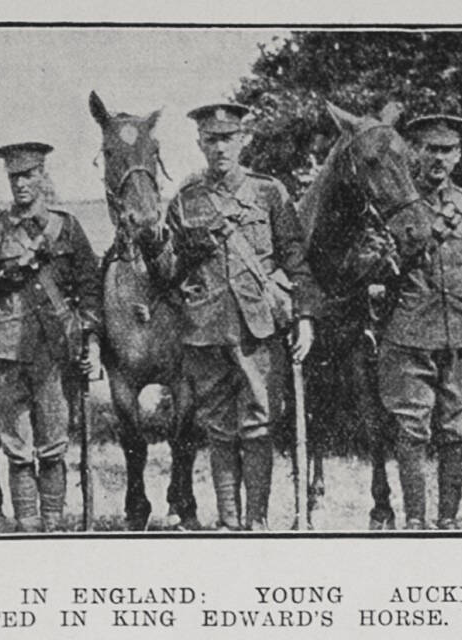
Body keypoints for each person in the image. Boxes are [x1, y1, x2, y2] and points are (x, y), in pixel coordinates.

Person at [138, 104, 320, 530]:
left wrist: (306, 318)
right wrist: (152, 245)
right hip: (206, 330)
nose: (219, 147)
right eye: (211, 139)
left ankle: (255, 522)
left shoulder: (268, 193)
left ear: (243, 140)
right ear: (200, 143)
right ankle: (229, 522)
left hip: (259, 328)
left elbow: (297, 261)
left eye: (228, 138)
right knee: (219, 429)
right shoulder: (185, 201)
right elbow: (170, 273)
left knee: (258, 425)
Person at [379, 113, 462, 530]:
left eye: (447, 150)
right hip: (409, 334)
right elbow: (375, 267)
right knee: (412, 427)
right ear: (414, 153)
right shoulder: (396, 206)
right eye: (429, 149)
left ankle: (448, 520)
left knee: (457, 428)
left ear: (458, 156)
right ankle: (416, 519)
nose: (438, 158)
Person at [0, 142, 102, 532]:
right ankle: (28, 528)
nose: (21, 184)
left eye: (29, 175)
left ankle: (52, 526)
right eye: (15, 177)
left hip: (54, 349)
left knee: (52, 449)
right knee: (17, 451)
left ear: (43, 176)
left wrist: (92, 342)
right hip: (4, 349)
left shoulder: (66, 227)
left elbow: (90, 288)